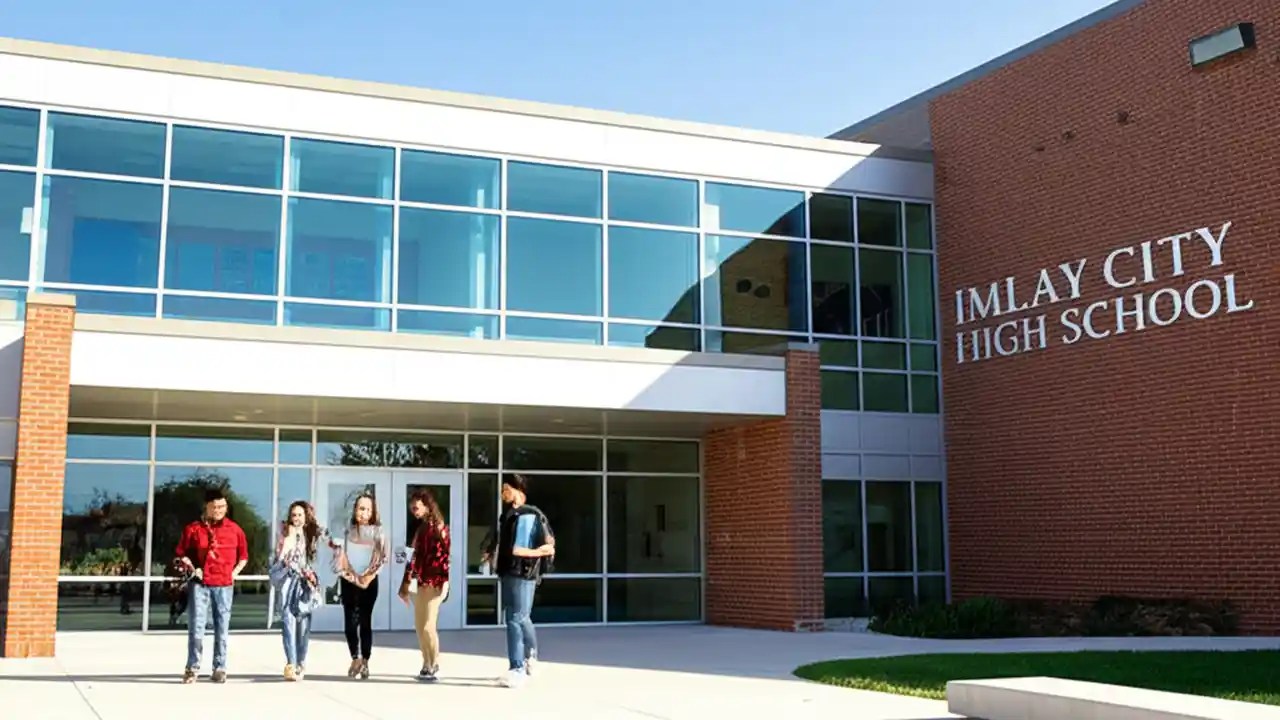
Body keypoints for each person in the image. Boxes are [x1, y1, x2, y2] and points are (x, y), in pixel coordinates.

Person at [480, 474, 555, 689]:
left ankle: (517, 668)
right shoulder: (509, 516)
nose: (502, 493)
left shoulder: (529, 515)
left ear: (517, 489)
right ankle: (532, 657)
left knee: (515, 618)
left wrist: (531, 552)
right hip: (508, 572)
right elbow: (503, 542)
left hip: (523, 574)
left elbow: (538, 548)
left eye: (506, 489)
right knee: (521, 617)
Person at [174, 487, 248, 684]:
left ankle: (219, 667)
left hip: (224, 585)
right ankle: (192, 667)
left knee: (222, 627)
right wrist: (193, 567)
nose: (219, 510)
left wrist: (234, 574)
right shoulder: (193, 529)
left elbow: (243, 557)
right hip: (200, 584)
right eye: (215, 507)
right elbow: (182, 553)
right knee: (197, 626)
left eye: (222, 506)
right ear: (206, 507)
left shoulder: (235, 529)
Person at [333, 491, 388, 680]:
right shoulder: (346, 531)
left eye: (367, 509)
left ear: (373, 512)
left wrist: (367, 577)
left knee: (365, 621)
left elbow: (382, 559)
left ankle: (365, 661)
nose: (363, 513)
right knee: (350, 623)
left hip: (369, 582)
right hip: (349, 581)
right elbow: (339, 556)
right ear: (355, 510)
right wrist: (351, 575)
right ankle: (354, 657)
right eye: (360, 508)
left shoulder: (378, 533)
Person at [397, 489, 451, 682]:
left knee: (429, 626)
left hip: (435, 583)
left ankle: (435, 662)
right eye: (412, 508)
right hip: (419, 583)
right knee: (420, 626)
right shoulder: (418, 528)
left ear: (428, 506)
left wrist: (443, 583)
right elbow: (409, 556)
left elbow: (444, 558)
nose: (414, 511)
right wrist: (404, 584)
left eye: (417, 507)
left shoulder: (439, 528)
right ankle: (426, 664)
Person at [271, 500, 324, 682]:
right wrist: (288, 539)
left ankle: (301, 662)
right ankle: (290, 663)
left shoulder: (312, 536)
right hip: (288, 581)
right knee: (288, 621)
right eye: (293, 515)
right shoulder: (285, 535)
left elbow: (321, 554)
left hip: (305, 584)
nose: (296, 518)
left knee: (303, 625)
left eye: (300, 515)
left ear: (306, 517)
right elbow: (280, 557)